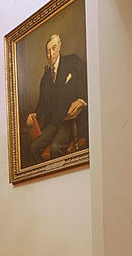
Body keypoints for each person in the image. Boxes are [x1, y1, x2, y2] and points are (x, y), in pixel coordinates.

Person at [26, 33, 88, 165]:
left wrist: (82, 100)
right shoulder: (45, 78)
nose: (51, 54)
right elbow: (41, 106)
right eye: (48, 51)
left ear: (59, 46)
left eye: (54, 48)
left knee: (55, 148)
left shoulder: (72, 61)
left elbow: (91, 78)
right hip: (53, 123)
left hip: (70, 122)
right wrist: (32, 115)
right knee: (33, 148)